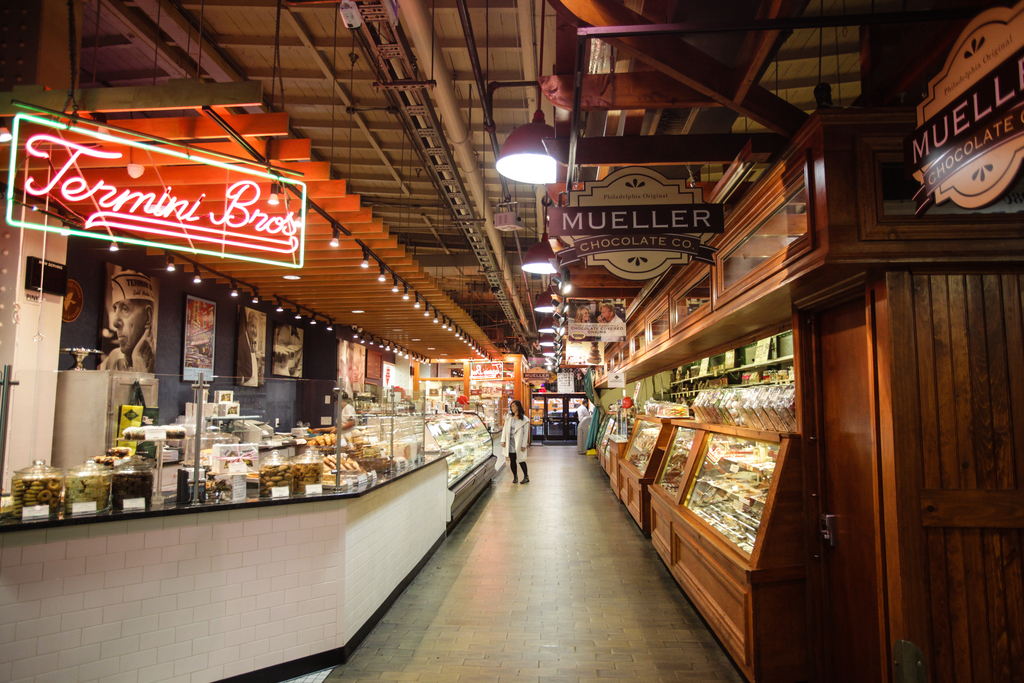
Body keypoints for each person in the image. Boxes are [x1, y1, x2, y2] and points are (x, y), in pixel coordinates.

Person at [101, 270, 156, 373]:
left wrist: (139, 364)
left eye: (125, 309)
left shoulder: (160, 360)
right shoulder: (114, 357)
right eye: (115, 309)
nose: (115, 322)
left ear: (148, 317)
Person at [500, 399, 530, 484]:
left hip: (519, 443)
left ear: (518, 407)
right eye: (511, 406)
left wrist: (524, 444)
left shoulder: (524, 419)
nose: (512, 408)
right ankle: (515, 476)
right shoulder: (509, 418)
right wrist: (503, 440)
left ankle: (526, 476)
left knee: (521, 460)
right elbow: (505, 429)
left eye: (513, 406)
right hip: (510, 442)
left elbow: (525, 433)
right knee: (512, 460)